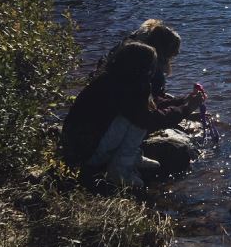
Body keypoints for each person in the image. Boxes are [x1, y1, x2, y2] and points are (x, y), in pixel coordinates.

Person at [61, 41, 203, 187]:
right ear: (141, 66)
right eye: (152, 65)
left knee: (138, 116)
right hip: (85, 154)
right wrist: (186, 109)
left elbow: (151, 105)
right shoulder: (126, 88)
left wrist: (183, 100)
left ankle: (130, 156)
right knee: (138, 122)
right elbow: (150, 119)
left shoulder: (116, 79)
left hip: (78, 145)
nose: (154, 69)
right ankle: (120, 168)